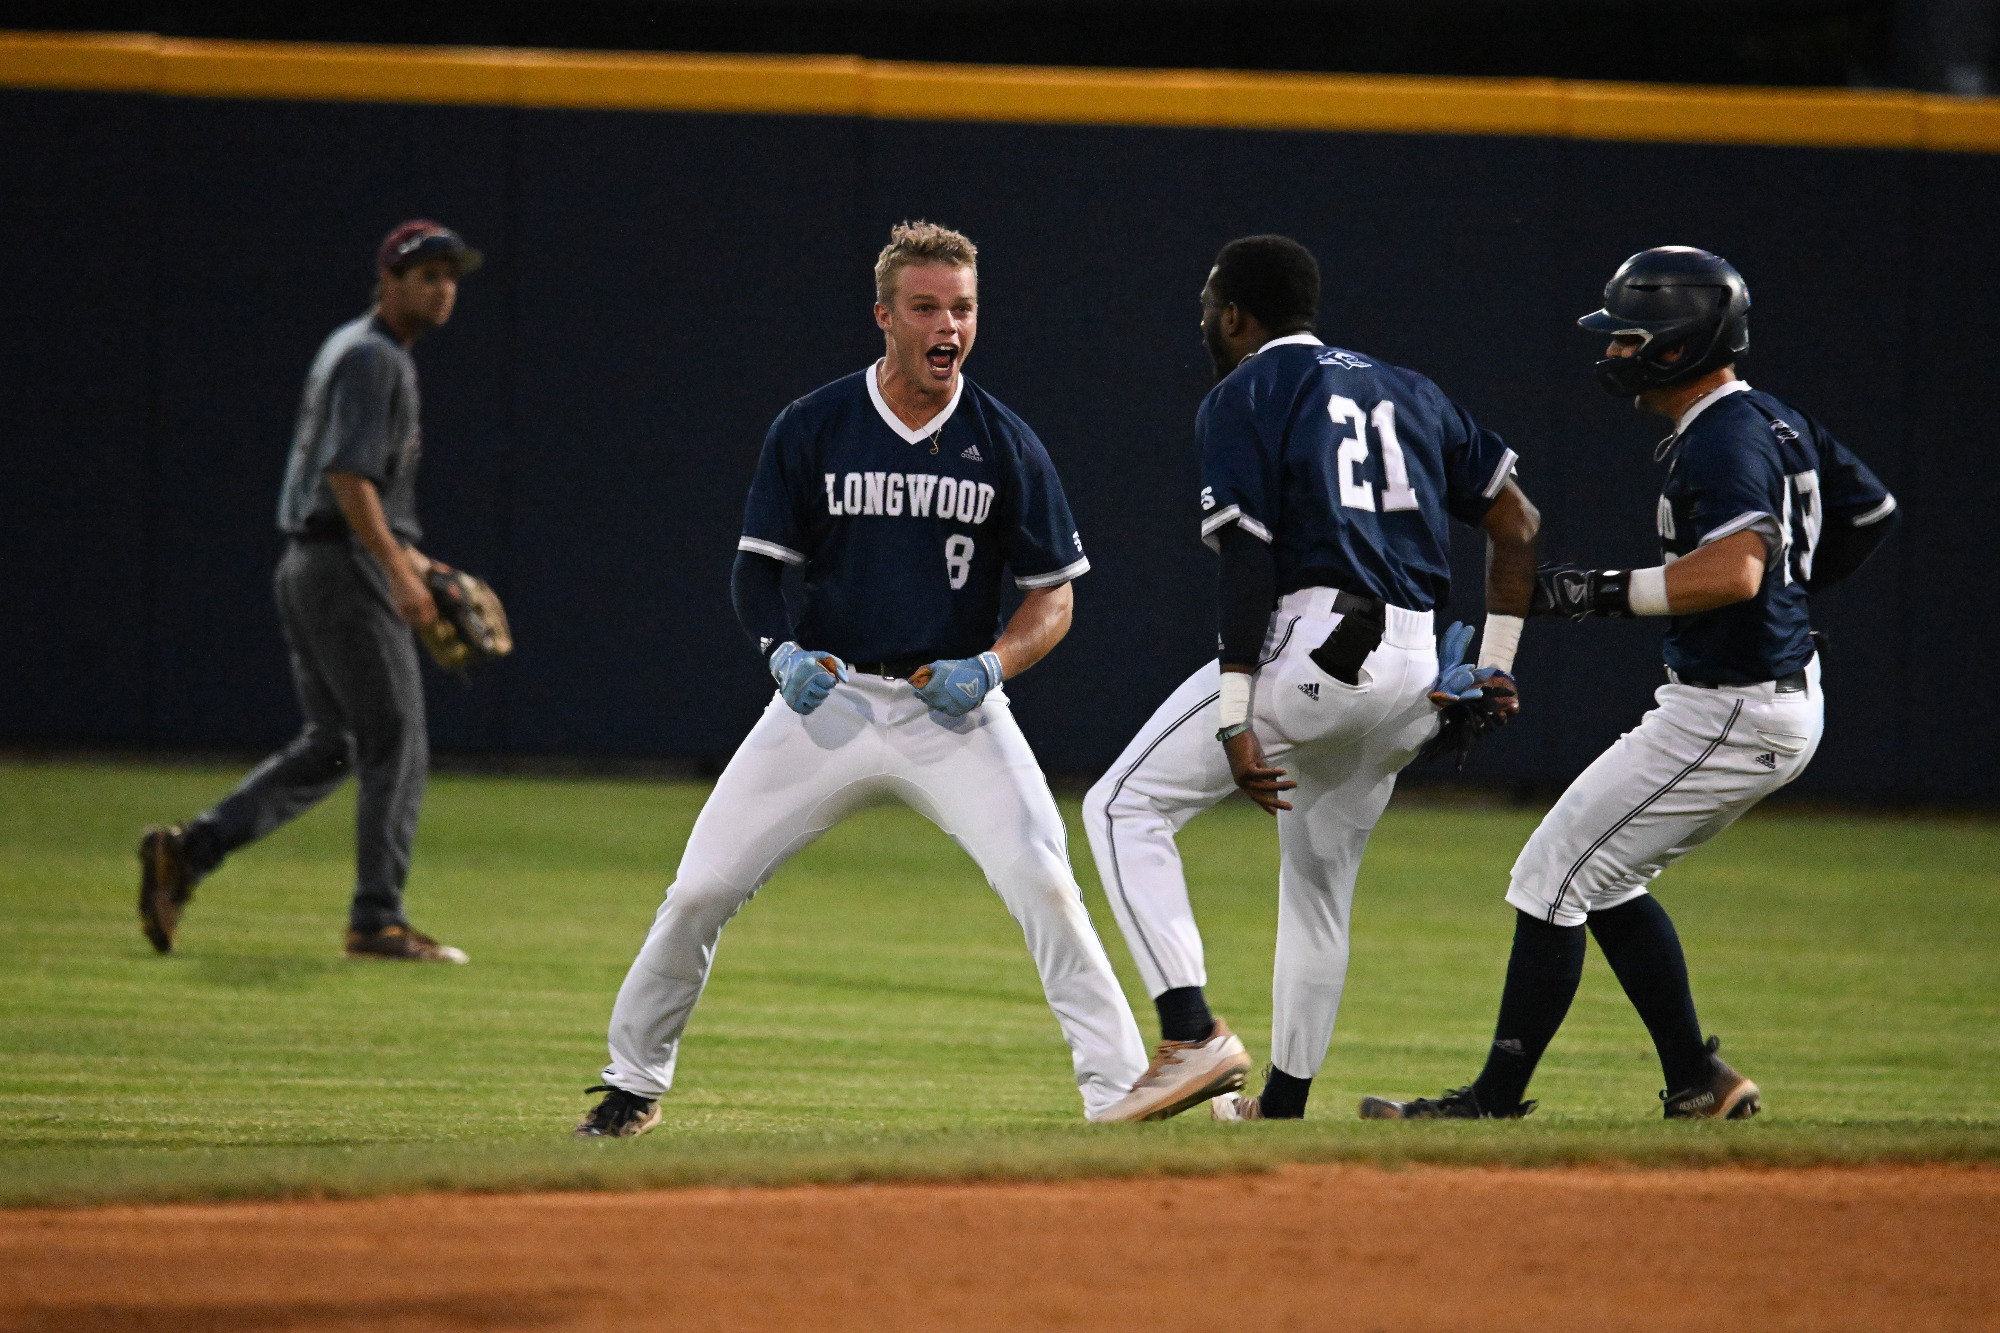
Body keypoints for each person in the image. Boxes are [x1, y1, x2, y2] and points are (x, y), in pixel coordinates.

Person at [574, 221, 1166, 1138]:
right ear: (883, 316)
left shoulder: (1004, 441)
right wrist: (779, 650)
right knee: (699, 888)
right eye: (927, 306)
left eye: (963, 307)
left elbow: (1054, 597)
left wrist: (991, 664)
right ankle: (631, 1084)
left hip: (952, 712)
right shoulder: (815, 424)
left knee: (1044, 879)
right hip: (830, 700)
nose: (949, 325)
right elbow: (757, 569)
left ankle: (1121, 1091)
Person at [1359, 246, 1899, 1122]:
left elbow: (1736, 572)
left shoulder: (1724, 433)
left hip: (1736, 706)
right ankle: (1698, 1079)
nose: (1613, 352)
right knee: (1600, 874)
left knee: (1552, 874)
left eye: (1630, 338)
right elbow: (1870, 513)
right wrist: (1790, 601)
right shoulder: (1770, 418)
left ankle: (1493, 1101)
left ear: (1681, 345)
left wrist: (1596, 592)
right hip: (1750, 695)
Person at [1081, 235, 1541, 1123]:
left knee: (1120, 807)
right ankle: (1281, 1108)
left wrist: (1237, 708)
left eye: (1212, 308)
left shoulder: (1245, 390)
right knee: (1320, 885)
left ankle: (1190, 1032)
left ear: (1237, 316)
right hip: (1416, 673)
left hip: (1320, 640)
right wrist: (1494, 667)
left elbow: (1248, 564)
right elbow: (1517, 522)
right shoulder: (1413, 389)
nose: (1207, 324)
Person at [136, 220, 484, 964]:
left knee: (336, 744)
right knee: (396, 740)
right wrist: (397, 571)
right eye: (427, 274)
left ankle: (189, 851)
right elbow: (347, 478)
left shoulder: (357, 348)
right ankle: (376, 919)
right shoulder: (372, 357)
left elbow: (360, 489)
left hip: (313, 564)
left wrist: (418, 563)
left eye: (451, 275)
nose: (443, 288)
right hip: (342, 567)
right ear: (388, 280)